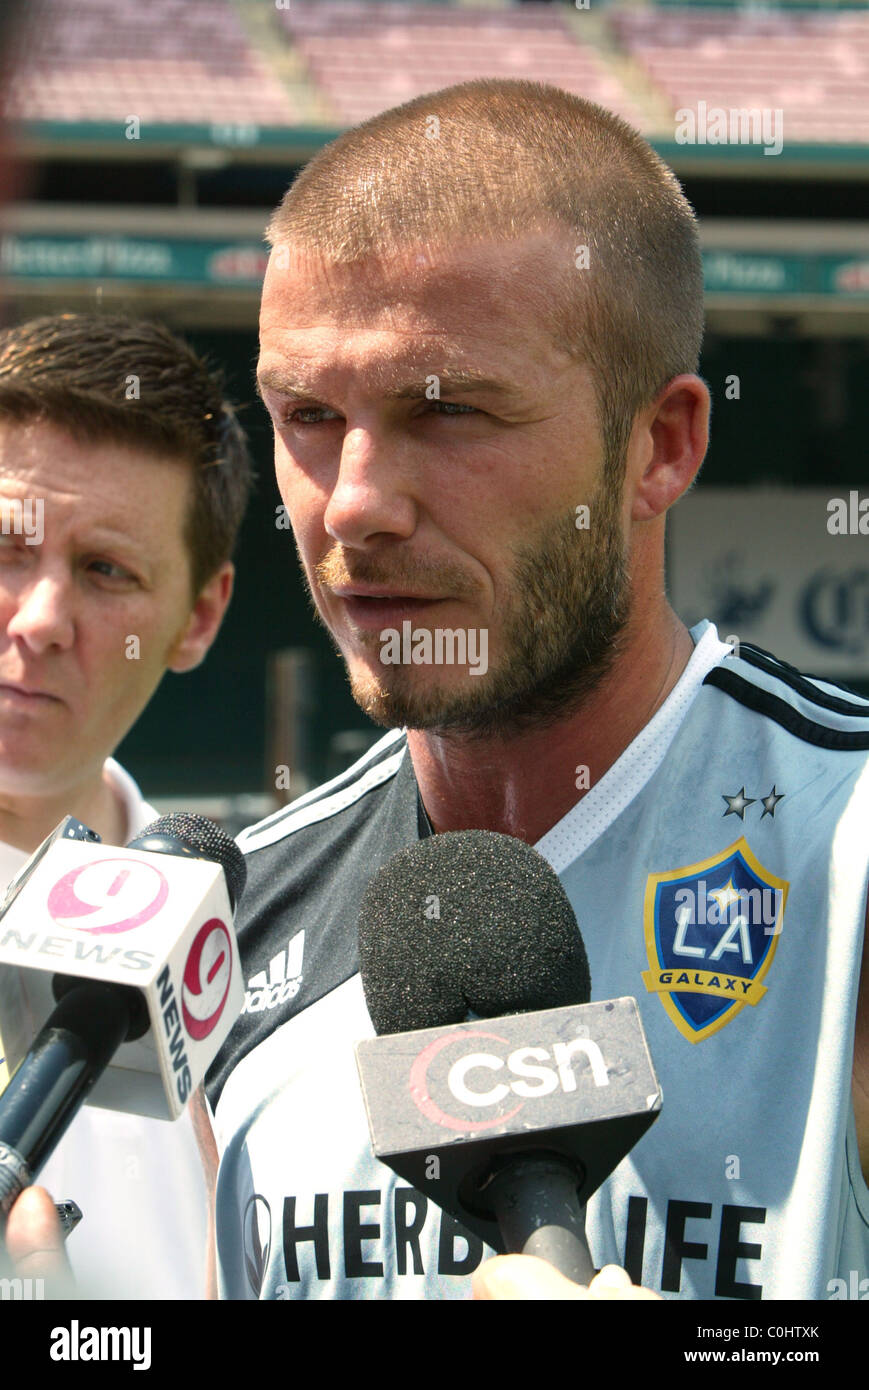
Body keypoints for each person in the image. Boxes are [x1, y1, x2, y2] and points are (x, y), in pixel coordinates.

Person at [200, 76, 867, 1301]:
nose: (351, 503)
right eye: (305, 414)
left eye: (445, 409)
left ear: (657, 444)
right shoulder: (234, 933)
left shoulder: (850, 849)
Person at [0, 311, 252, 1297]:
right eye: (8, 547)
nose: (42, 618)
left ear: (198, 615)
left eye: (105, 570)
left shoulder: (276, 944)